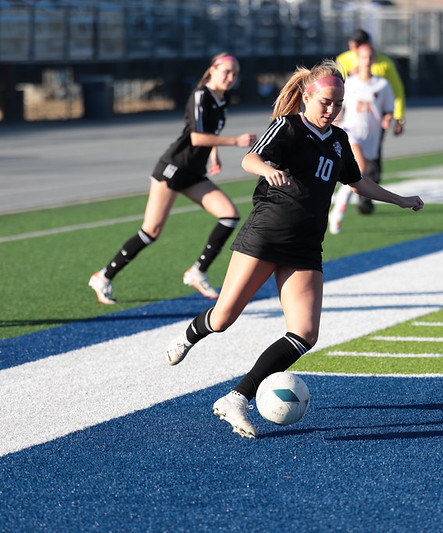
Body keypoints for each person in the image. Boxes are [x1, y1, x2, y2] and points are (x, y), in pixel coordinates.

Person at [164, 59, 424, 438]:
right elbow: (250, 157)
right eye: (325, 103)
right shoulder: (288, 126)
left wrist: (400, 199)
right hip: (266, 236)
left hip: (306, 246)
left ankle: (237, 398)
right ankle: (188, 336)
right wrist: (266, 169)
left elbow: (358, 182)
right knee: (222, 319)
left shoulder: (337, 140)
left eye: (338, 104)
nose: (332, 110)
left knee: (304, 334)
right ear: (306, 97)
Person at [88, 53, 257, 304]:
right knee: (151, 231)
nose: (231, 78)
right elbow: (196, 137)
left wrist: (214, 154)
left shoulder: (223, 98)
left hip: (193, 172)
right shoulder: (201, 95)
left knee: (230, 216)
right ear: (212, 70)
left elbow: (210, 133)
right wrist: (235, 142)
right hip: (174, 168)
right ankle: (103, 276)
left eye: (235, 73)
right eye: (226, 72)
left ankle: (197, 271)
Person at [337, 29, 406, 215]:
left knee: (371, 165)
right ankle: (341, 208)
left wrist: (396, 117)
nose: (364, 60)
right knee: (359, 166)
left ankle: (365, 197)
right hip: (351, 125)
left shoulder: (384, 67)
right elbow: (334, 91)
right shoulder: (344, 62)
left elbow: (396, 92)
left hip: (373, 123)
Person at [328, 43, 394, 234]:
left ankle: (338, 205)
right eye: (363, 57)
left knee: (358, 176)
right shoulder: (350, 83)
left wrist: (389, 119)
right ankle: (337, 213)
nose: (366, 61)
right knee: (360, 170)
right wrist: (335, 124)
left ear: (374, 60)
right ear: (358, 59)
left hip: (371, 136)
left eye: (369, 57)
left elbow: (388, 109)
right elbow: (340, 106)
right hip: (351, 131)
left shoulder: (382, 84)